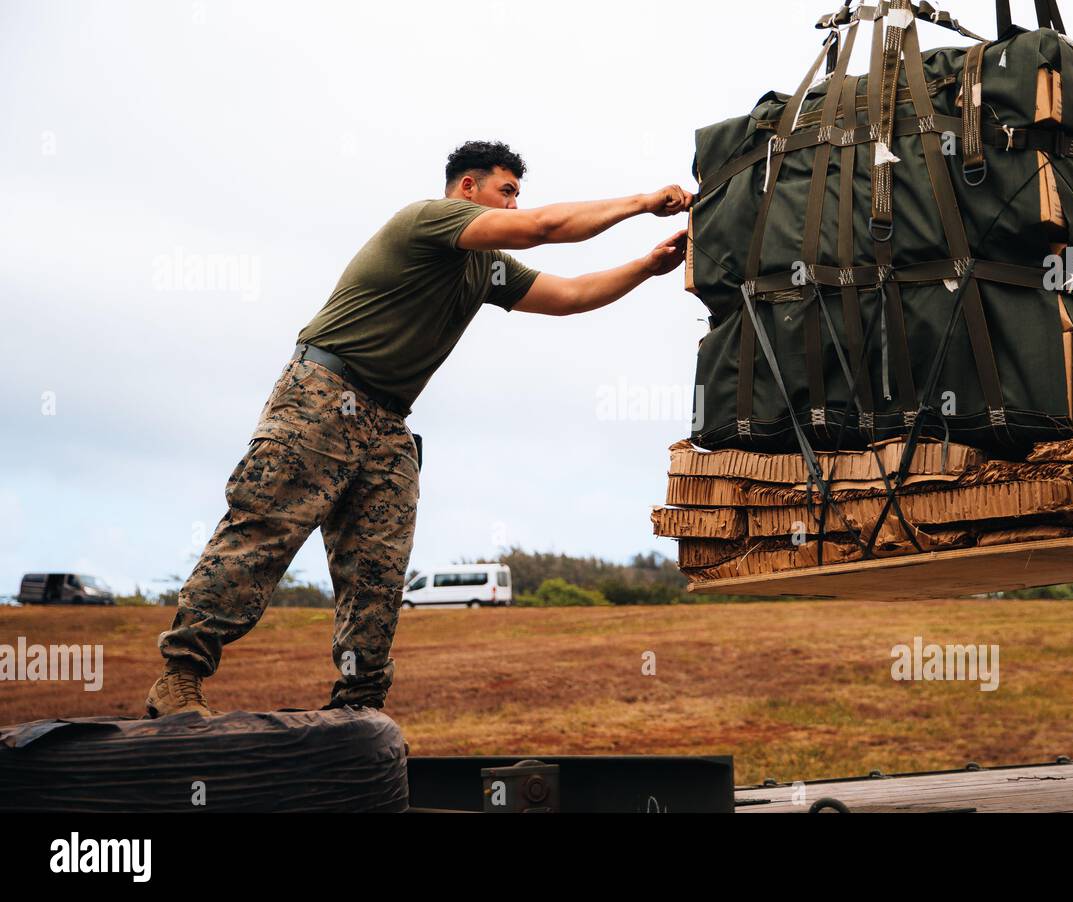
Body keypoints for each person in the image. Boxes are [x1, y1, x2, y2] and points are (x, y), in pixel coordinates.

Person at [146, 140, 691, 716]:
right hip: (322, 397)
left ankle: (357, 707)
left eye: (516, 197)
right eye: (505, 193)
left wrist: (647, 267)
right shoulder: (427, 221)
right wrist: (641, 202)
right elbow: (542, 227)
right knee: (261, 538)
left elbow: (571, 295)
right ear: (466, 189)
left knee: (377, 575)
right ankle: (179, 678)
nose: (511, 207)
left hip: (387, 425)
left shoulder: (488, 268)